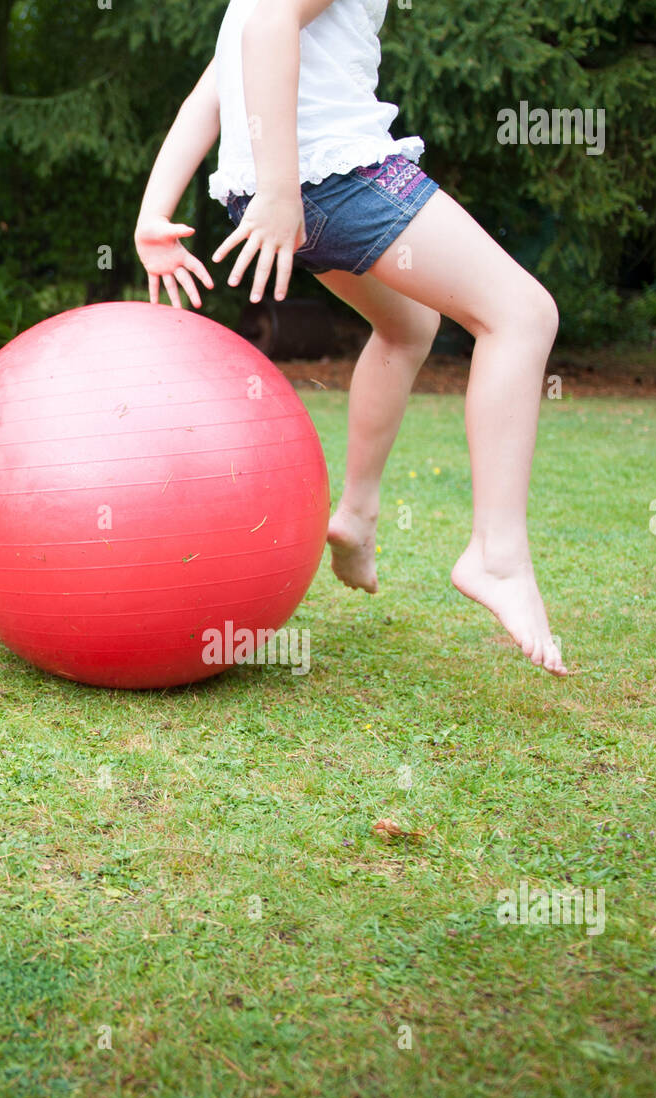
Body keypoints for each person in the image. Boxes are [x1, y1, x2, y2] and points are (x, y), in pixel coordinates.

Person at [134, 0, 566, 675]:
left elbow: (213, 84)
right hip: (328, 177)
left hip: (281, 188)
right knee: (522, 316)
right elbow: (270, 25)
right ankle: (497, 556)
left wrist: (151, 214)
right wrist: (283, 193)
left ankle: (357, 515)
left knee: (407, 326)